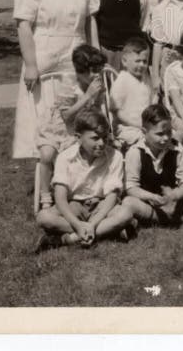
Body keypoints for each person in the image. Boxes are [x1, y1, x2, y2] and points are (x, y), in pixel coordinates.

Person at [12, 0, 91, 160]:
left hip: (76, 59)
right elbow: (23, 25)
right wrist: (31, 65)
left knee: (75, 115)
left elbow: (86, 23)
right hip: (45, 60)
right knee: (46, 120)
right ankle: (47, 174)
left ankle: (73, 175)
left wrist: (91, 56)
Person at [35, 110, 134, 251]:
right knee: (43, 217)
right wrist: (77, 224)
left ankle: (67, 239)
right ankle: (107, 231)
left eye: (104, 137)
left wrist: (92, 224)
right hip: (74, 206)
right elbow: (60, 198)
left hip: (101, 206)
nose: (101, 143)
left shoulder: (115, 156)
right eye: (95, 138)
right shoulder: (65, 157)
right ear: (78, 138)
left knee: (126, 214)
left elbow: (112, 196)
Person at [36, 44, 108, 209]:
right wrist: (88, 95)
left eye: (99, 70)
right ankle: (45, 194)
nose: (97, 75)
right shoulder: (69, 83)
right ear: (80, 71)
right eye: (93, 71)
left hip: (83, 128)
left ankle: (84, 191)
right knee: (47, 154)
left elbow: (98, 110)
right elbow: (66, 117)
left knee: (92, 150)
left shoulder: (97, 84)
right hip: (59, 128)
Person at [121, 104, 183, 226]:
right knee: (128, 202)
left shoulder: (177, 148)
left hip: (173, 199)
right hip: (149, 202)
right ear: (144, 132)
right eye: (160, 134)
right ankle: (175, 218)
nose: (166, 138)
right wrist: (151, 197)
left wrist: (175, 194)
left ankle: (161, 218)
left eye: (169, 132)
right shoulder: (135, 152)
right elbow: (131, 187)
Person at [109, 36, 154, 150]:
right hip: (125, 128)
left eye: (145, 61)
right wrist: (138, 125)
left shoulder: (146, 79)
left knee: (163, 136)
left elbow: (150, 104)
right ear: (124, 61)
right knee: (150, 139)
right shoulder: (122, 80)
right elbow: (116, 111)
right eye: (137, 61)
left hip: (144, 126)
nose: (141, 65)